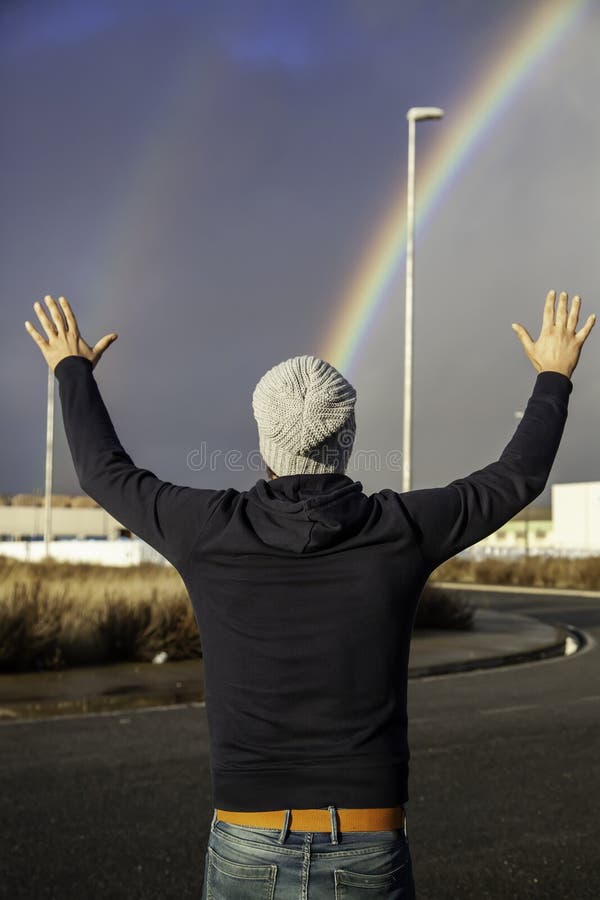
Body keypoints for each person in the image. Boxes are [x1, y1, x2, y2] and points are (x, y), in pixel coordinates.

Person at [26, 290, 595, 899]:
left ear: (265, 440)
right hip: (369, 845)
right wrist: (553, 377)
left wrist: (72, 370)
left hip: (246, 841)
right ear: (345, 438)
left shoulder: (207, 531)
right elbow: (514, 479)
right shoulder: (399, 531)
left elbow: (103, 473)